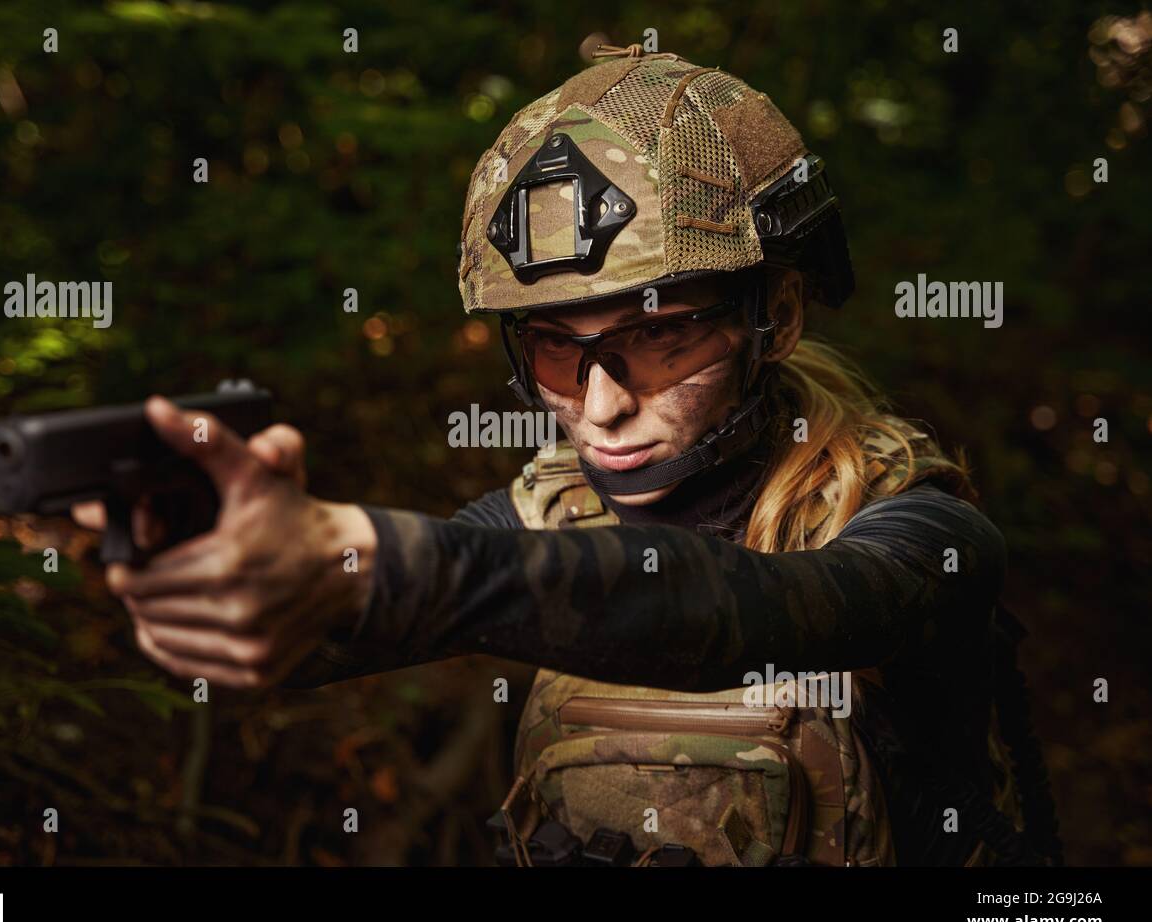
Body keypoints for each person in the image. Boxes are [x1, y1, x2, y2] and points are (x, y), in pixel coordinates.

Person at [73, 45, 1060, 866]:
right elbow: (338, 629)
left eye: (661, 338)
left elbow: (734, 607)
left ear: (780, 316)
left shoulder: (919, 528)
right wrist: (206, 564)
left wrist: (387, 556)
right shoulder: (546, 515)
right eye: (553, 346)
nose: (598, 404)